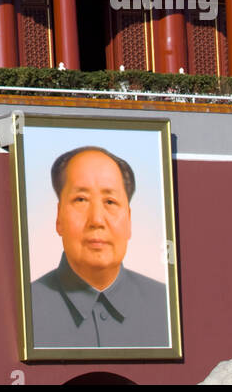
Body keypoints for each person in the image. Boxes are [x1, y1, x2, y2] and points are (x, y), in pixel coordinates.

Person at [30, 146, 169, 349]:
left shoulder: (163, 306)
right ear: (58, 217)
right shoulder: (29, 306)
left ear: (129, 220)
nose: (96, 220)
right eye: (81, 200)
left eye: (110, 202)